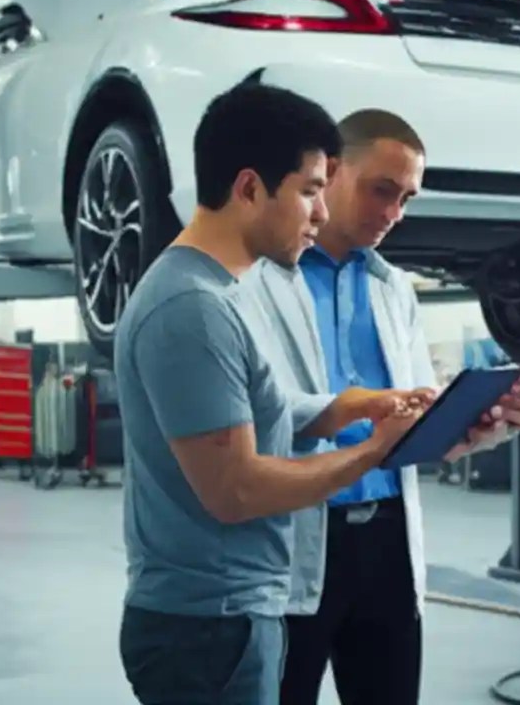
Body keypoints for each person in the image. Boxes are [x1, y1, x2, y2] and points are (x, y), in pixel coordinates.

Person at [113, 84, 427, 705]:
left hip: (232, 616)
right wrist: (373, 451)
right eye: (310, 190)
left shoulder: (219, 293)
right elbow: (237, 490)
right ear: (250, 188)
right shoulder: (193, 308)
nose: (321, 213)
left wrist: (348, 406)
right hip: (208, 628)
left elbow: (257, 410)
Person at [237, 109, 520, 705]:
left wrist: (489, 423)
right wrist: (357, 414)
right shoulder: (256, 283)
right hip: (296, 535)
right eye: (381, 190)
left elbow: (416, 426)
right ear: (330, 173)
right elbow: (256, 418)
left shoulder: (395, 289)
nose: (394, 213)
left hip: (387, 543)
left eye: (406, 198)